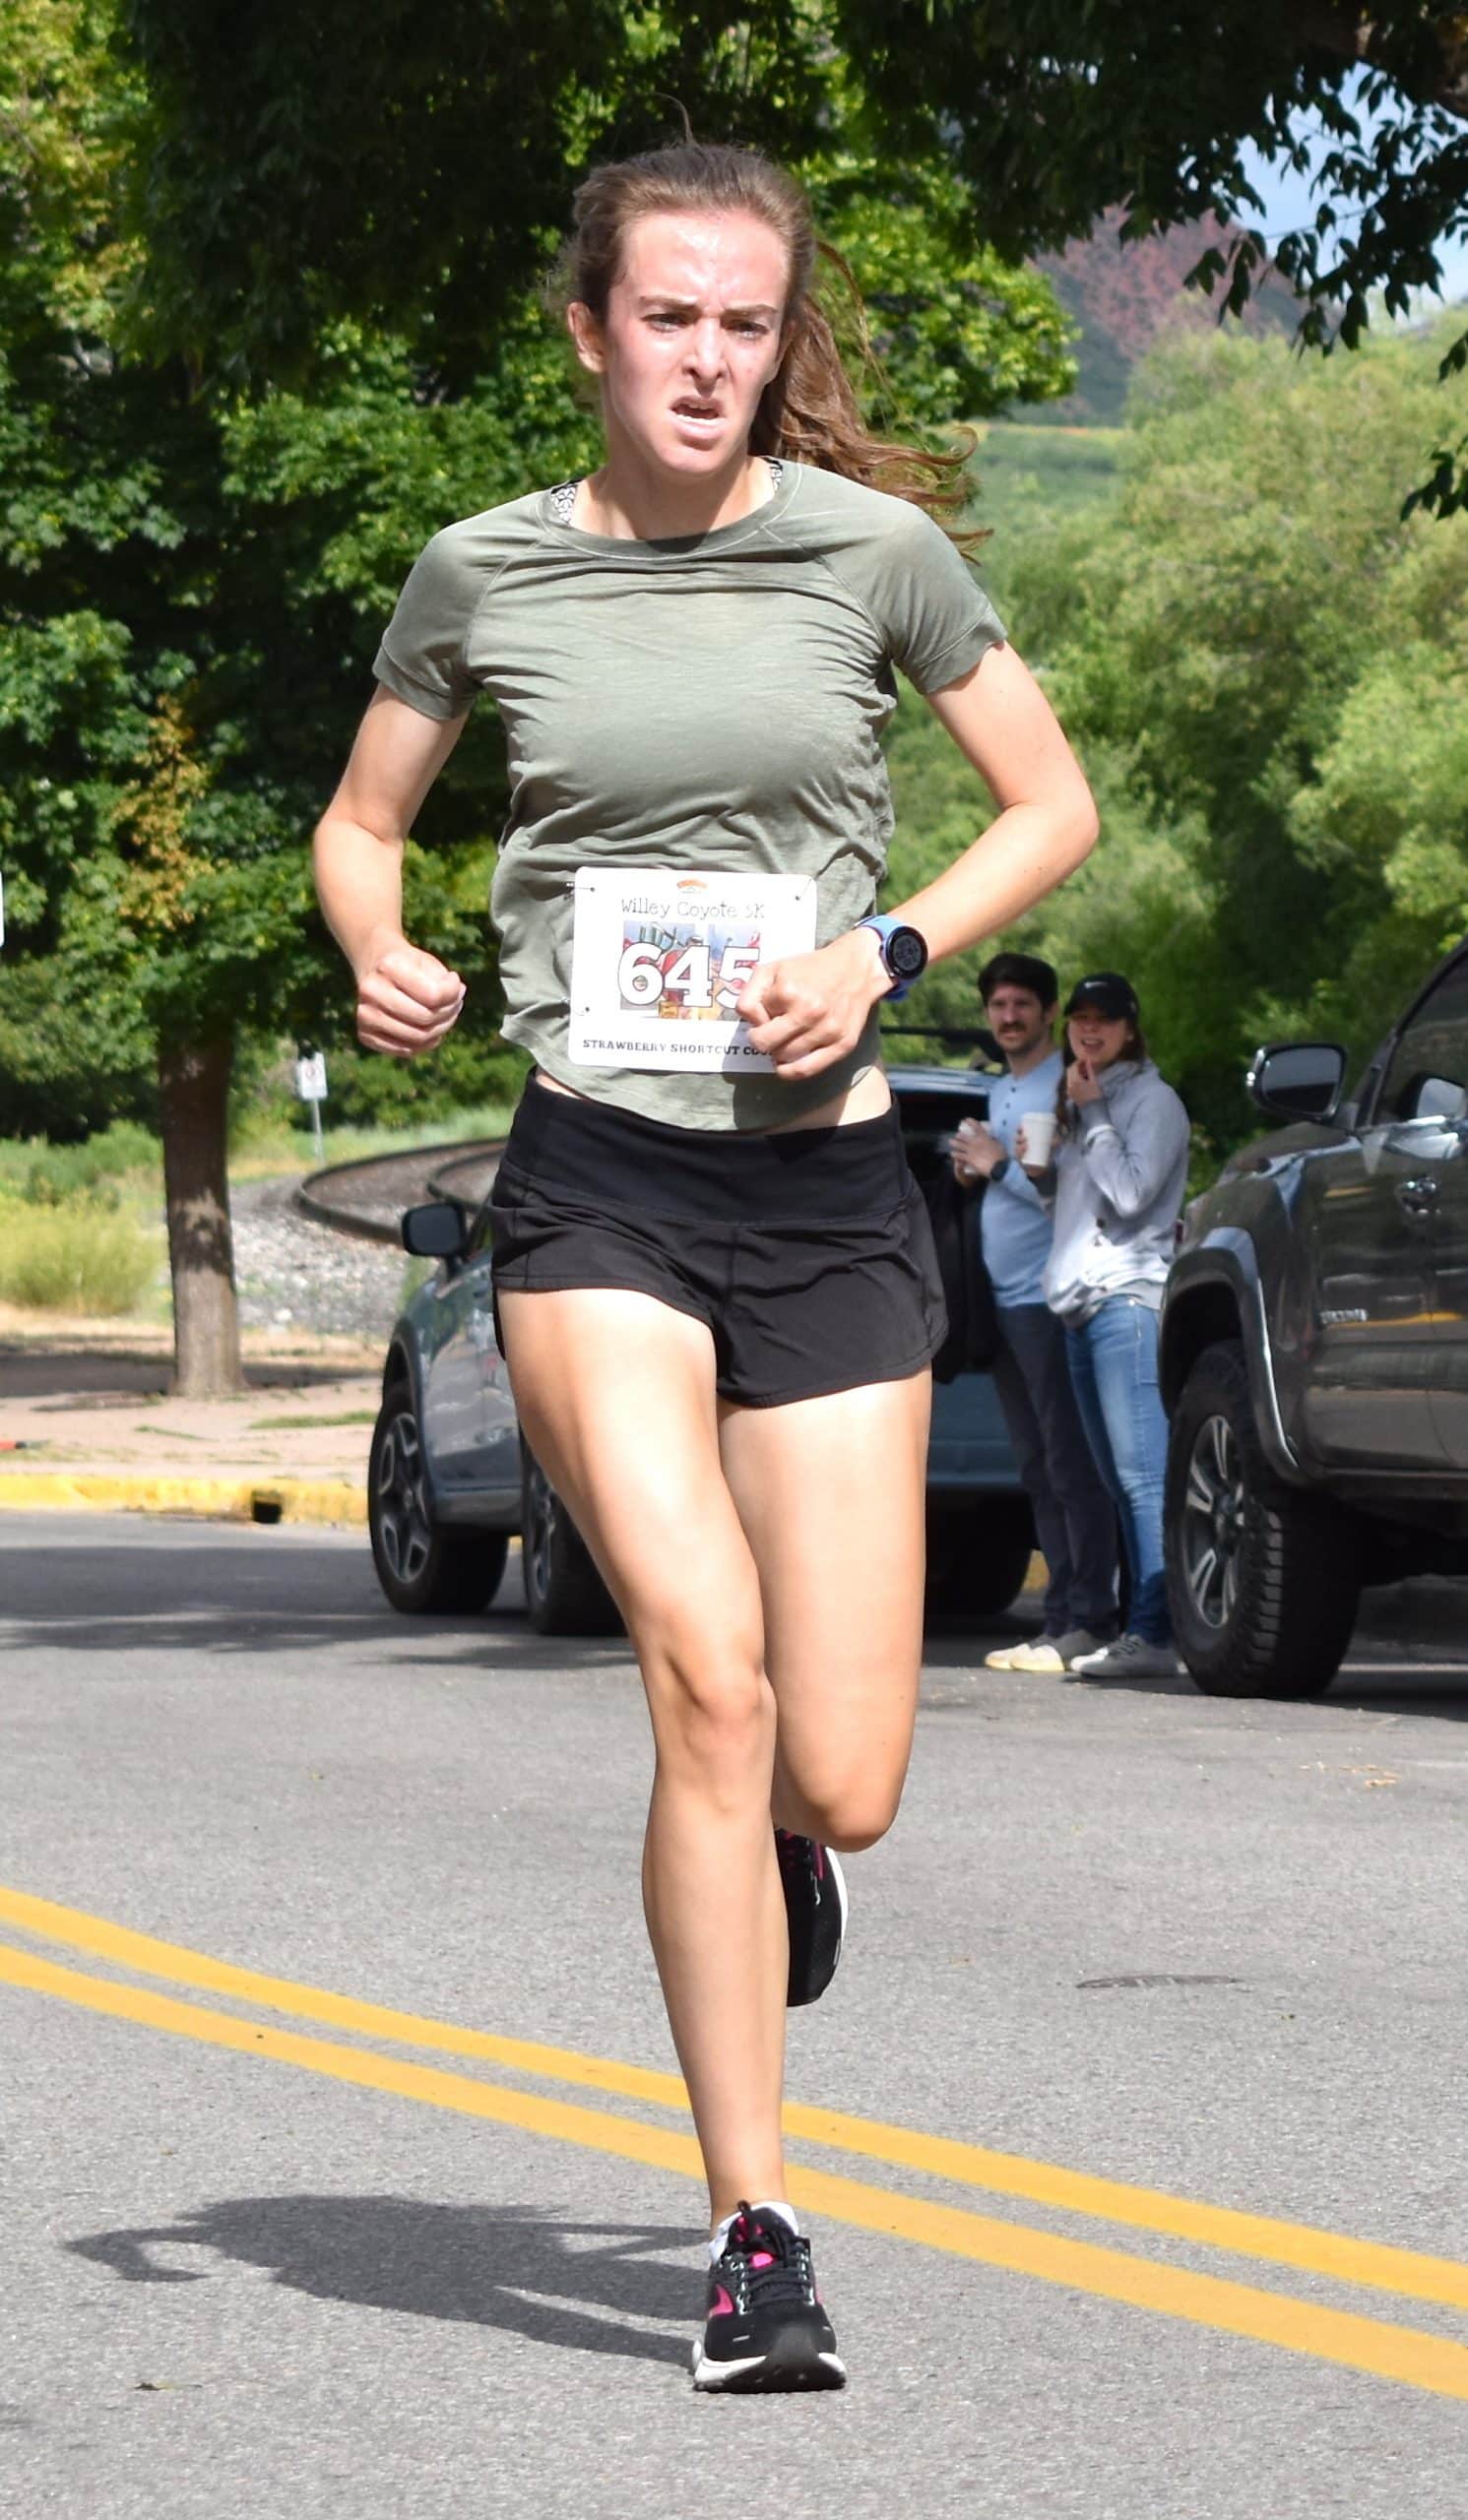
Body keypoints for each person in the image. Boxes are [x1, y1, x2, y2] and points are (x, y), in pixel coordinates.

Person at [313, 139, 1097, 2394]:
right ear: (590, 328)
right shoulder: (483, 574)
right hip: (601, 1188)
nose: (706, 357)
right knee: (708, 1675)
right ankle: (753, 2222)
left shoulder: (877, 554)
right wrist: (380, 948)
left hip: (833, 1191)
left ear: (781, 341)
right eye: (667, 316)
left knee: (836, 1773)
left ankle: (780, 1861)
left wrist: (889, 944)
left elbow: (1050, 802)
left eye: (745, 322)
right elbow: (366, 820)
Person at [1018, 972, 1189, 1682]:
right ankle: (1135, 1630)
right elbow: (1075, 1207)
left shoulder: (1151, 1102)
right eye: (1079, 1019)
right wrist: (1039, 1170)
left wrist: (1091, 1119)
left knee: (1144, 1479)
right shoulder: (1083, 1099)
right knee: (1114, 1481)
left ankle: (1155, 1634)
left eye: (1104, 1021)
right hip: (1077, 1304)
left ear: (1129, 1029)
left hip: (1127, 1301)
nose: (1089, 1031)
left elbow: (1128, 1194)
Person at [950, 952, 1118, 1672]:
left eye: (1022, 1004)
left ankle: (1090, 1617)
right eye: (998, 1006)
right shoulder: (1002, 1089)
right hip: (1004, 1303)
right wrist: (974, 1167)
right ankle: (1058, 1623)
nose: (1009, 1017)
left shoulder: (1065, 1088)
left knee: (1069, 1464)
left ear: (1048, 1012)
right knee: (1037, 1467)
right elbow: (1013, 1181)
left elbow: (1063, 1193)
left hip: (1052, 1300)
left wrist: (993, 1167)